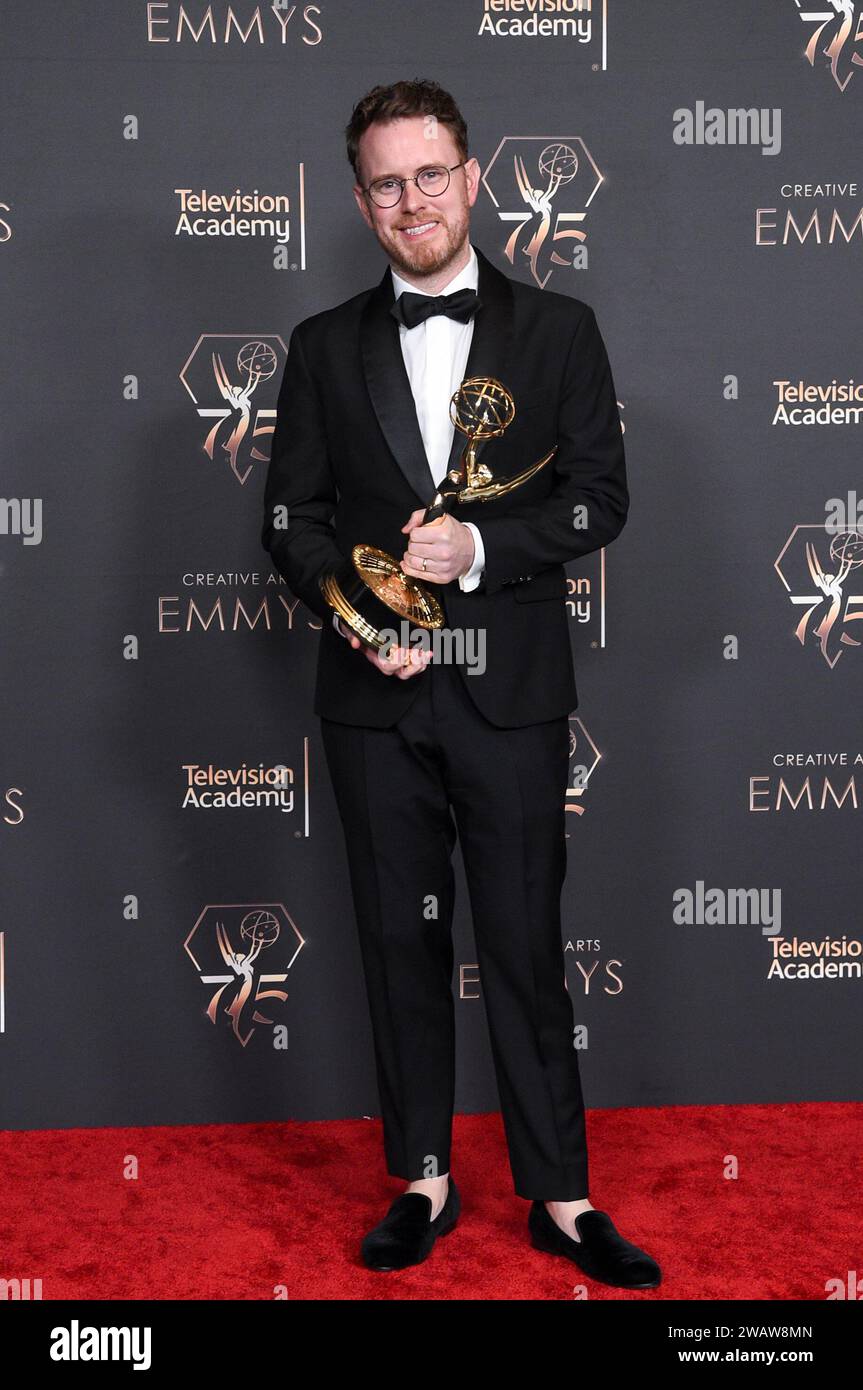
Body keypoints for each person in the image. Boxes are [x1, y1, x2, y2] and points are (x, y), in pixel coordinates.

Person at [261, 78, 660, 1289]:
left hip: (510, 691)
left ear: (472, 178)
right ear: (358, 199)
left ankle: (561, 1196)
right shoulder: (323, 346)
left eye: (430, 174)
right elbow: (292, 521)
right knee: (398, 939)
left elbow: (599, 499)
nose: (410, 200)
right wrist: (358, 612)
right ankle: (421, 1179)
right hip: (374, 696)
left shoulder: (560, 329)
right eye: (385, 182)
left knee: (526, 942)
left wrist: (481, 549)